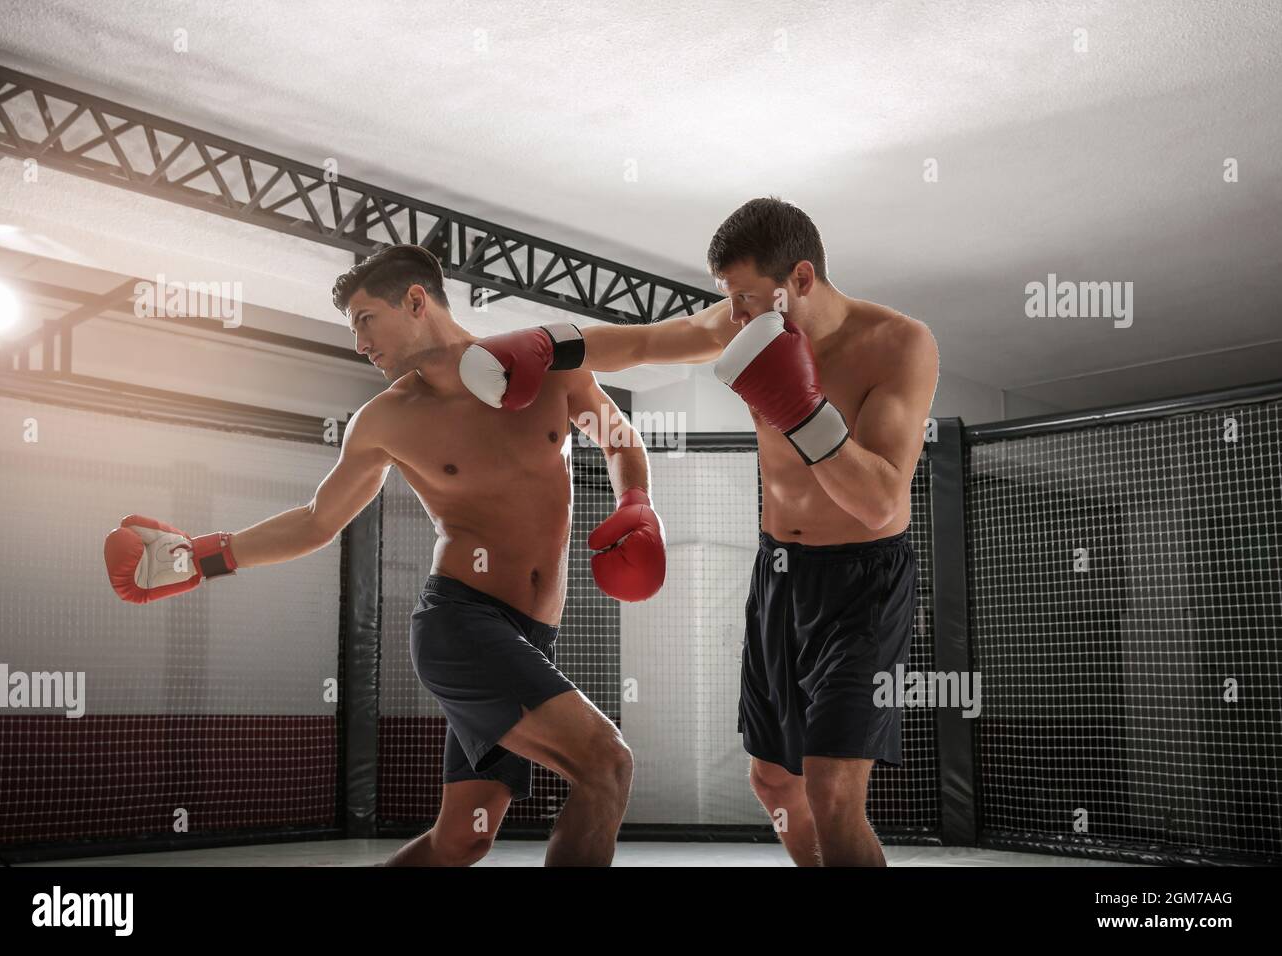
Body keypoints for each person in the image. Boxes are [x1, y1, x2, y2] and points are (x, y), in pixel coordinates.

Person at [103, 244, 667, 866]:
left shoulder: (546, 365)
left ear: (417, 301)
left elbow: (618, 437)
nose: (359, 343)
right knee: (606, 764)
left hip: (533, 633)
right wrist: (202, 556)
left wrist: (635, 501)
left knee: (462, 842)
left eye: (366, 320)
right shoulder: (386, 420)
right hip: (462, 625)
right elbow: (319, 521)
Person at [459, 198, 938, 866]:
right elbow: (642, 342)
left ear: (800, 279)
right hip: (779, 572)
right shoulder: (744, 320)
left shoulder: (898, 344)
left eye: (746, 299)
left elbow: (881, 506)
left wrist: (802, 410)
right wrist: (549, 344)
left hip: (863, 580)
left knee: (831, 786)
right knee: (773, 780)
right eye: (728, 300)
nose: (734, 319)